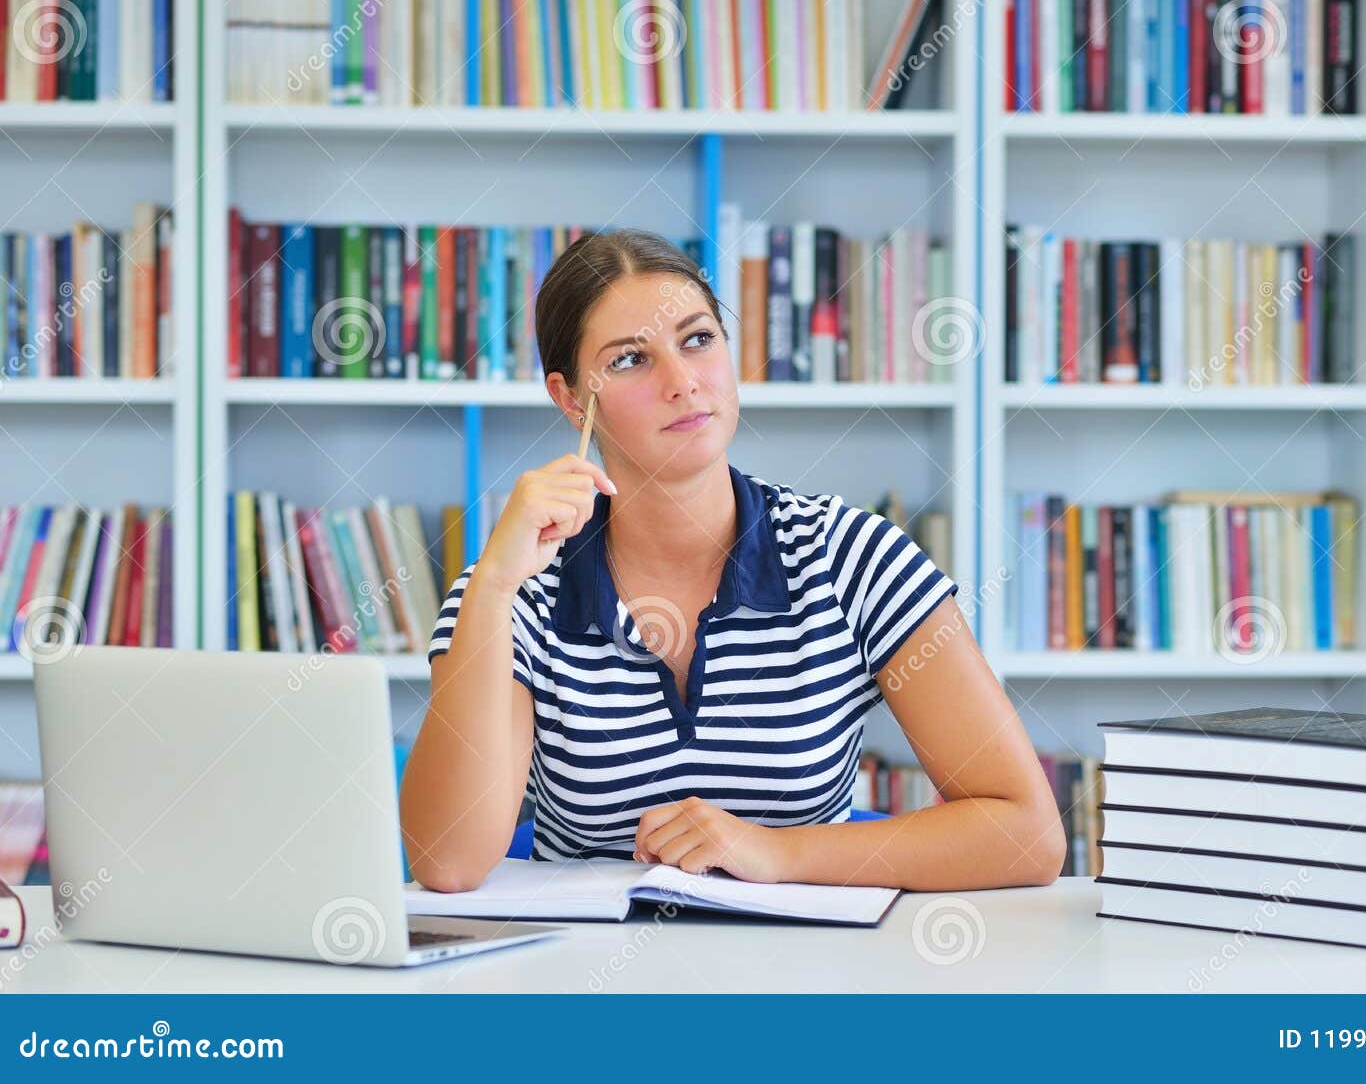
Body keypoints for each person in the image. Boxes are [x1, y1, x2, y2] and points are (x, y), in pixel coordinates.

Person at [400, 229, 1065, 893]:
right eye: (631, 359)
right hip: (593, 960)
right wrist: (493, 586)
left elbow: (1027, 833)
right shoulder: (513, 590)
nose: (683, 382)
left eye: (697, 340)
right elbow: (447, 862)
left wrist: (776, 853)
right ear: (574, 399)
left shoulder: (851, 556)